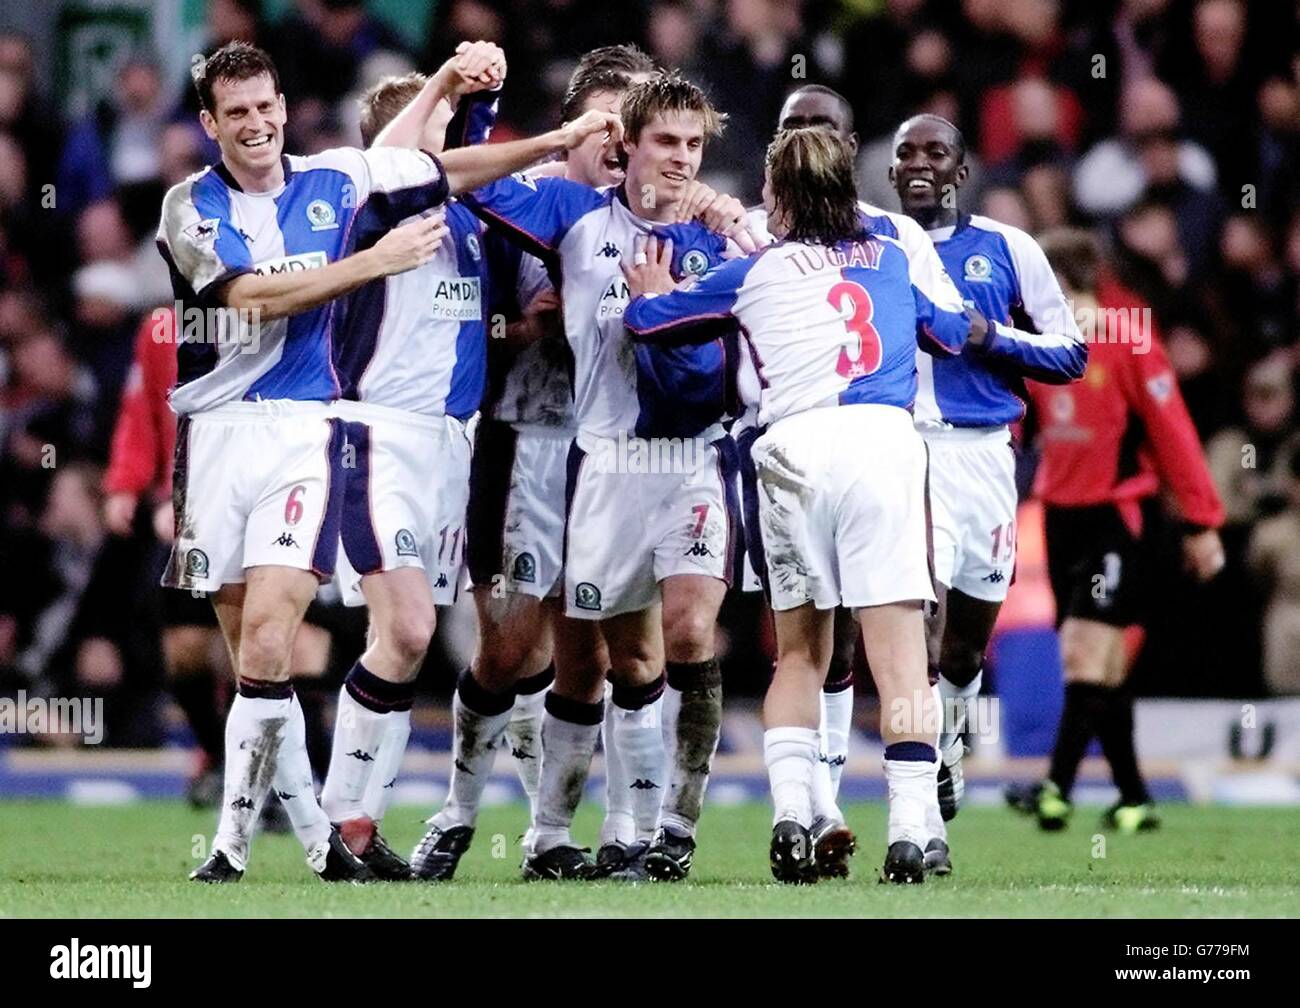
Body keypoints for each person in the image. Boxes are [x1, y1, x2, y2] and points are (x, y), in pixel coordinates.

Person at [164, 39, 619, 883]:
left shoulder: (472, 227)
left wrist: (527, 319)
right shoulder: (366, 205)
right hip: (368, 431)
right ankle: (338, 826)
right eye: (438, 137)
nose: (450, 153)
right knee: (401, 628)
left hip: (453, 445)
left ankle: (355, 832)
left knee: (405, 643)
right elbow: (395, 168)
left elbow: (486, 246)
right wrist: (456, 90)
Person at [623, 126, 984, 884]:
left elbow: (649, 327)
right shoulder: (890, 254)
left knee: (800, 654)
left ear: (779, 195)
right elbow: (952, 335)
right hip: (884, 446)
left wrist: (651, 296)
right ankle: (913, 832)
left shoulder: (753, 270)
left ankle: (792, 815)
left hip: (792, 450)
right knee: (901, 661)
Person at [457, 72, 752, 881]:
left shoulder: (721, 236)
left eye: (695, 145)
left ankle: (671, 836)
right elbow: (459, 173)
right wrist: (555, 143)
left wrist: (723, 242)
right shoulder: (575, 217)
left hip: (691, 459)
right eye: (666, 142)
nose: (683, 160)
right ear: (627, 146)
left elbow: (788, 282)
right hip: (605, 463)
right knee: (626, 665)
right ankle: (611, 834)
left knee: (688, 635)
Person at [410, 44, 666, 883]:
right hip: (525, 442)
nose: (620, 144)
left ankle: (555, 836)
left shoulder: (658, 225)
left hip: (612, 456)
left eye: (635, 126)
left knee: (590, 656)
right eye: (605, 126)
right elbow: (467, 319)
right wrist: (520, 330)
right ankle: (453, 813)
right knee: (510, 649)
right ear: (574, 130)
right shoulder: (535, 207)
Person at [888, 112, 1088, 873]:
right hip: (901, 450)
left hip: (982, 456)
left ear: (960, 170)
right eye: (906, 150)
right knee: (922, 618)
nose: (918, 162)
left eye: (935, 151)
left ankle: (951, 737)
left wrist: (991, 337)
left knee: (968, 640)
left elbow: (1070, 350)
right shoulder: (872, 244)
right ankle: (918, 811)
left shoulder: (1010, 248)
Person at [1008, 229, 1225, 833]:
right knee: (1103, 667)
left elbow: (1172, 429)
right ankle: (1134, 798)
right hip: (1060, 514)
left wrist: (1202, 521)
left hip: (1118, 515)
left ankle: (1055, 788)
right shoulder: (1041, 342)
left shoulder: (1127, 337)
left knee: (1085, 651)